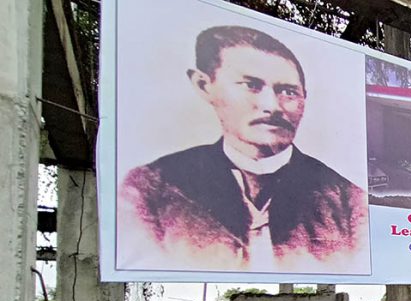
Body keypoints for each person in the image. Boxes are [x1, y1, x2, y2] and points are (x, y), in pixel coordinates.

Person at [118, 25, 368, 274]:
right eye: (251, 85)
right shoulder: (150, 189)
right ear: (204, 85)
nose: (272, 106)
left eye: (288, 92)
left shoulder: (347, 199)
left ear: (304, 98)